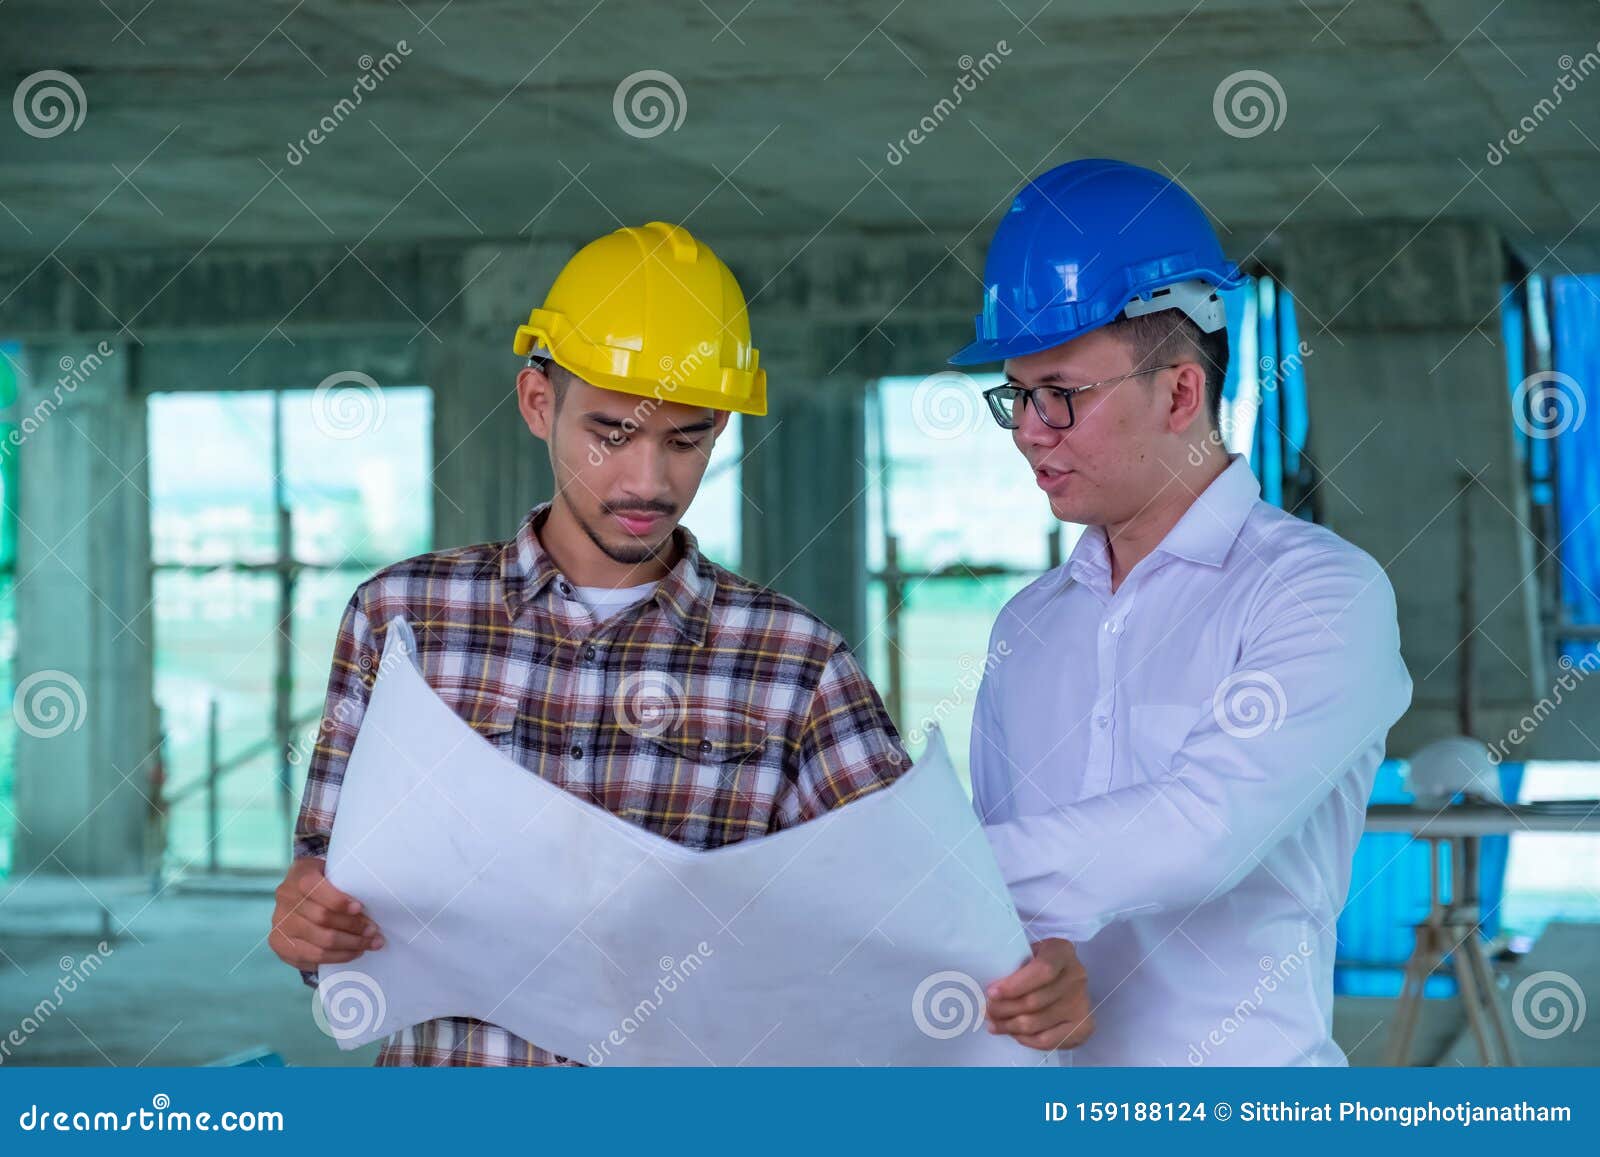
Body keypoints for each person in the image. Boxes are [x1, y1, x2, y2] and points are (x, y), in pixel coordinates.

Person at [268, 221, 1091, 1063]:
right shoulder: (402, 621)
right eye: (612, 432)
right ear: (537, 402)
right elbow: (328, 897)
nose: (648, 481)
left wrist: (1031, 976)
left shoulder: (795, 668)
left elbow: (915, 925)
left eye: (686, 439)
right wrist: (307, 919)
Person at [952, 159, 1413, 1065]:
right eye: (1015, 394)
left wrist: (908, 866)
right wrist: (1032, 957)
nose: (1028, 430)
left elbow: (1201, 830)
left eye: (1061, 395)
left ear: (1179, 393)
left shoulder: (1320, 596)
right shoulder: (1027, 627)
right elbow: (1013, 899)